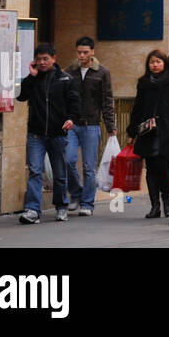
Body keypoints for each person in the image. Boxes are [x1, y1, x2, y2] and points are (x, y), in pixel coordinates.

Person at [17, 43, 81, 224]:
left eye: (46, 59)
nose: (42, 62)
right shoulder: (33, 79)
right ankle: (32, 210)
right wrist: (31, 76)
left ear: (54, 59)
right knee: (35, 171)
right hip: (36, 134)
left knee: (60, 174)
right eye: (39, 59)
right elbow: (21, 96)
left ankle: (61, 207)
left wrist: (71, 119)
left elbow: (75, 104)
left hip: (57, 134)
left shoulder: (66, 80)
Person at [63, 36, 116, 217]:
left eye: (85, 52)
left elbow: (107, 100)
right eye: (79, 52)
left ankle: (87, 203)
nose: (82, 55)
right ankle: (76, 194)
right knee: (68, 159)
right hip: (72, 124)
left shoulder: (102, 72)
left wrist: (111, 126)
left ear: (92, 52)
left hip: (91, 125)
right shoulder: (70, 71)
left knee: (88, 166)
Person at [127, 49, 169, 219]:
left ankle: (166, 202)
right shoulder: (143, 83)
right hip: (148, 131)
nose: (155, 65)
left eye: (158, 62)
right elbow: (137, 108)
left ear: (164, 63)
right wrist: (131, 132)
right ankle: (154, 205)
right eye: (152, 62)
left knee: (165, 168)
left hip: (167, 130)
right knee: (150, 169)